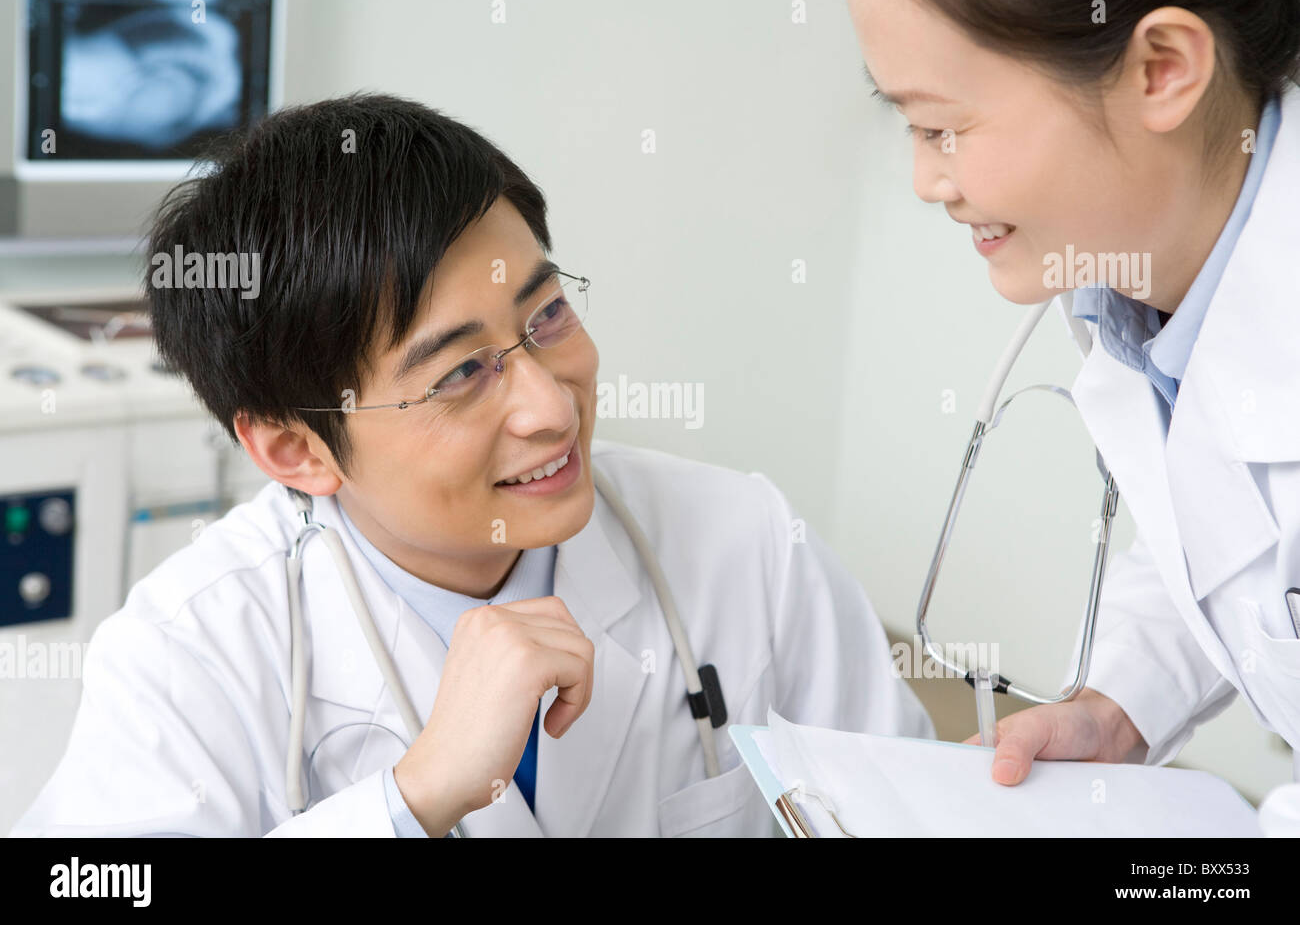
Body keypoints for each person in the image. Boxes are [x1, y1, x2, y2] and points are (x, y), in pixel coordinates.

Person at [11, 93, 932, 838]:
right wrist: (409, 800)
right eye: (460, 373)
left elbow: (911, 811)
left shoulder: (745, 541)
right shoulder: (190, 648)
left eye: (547, 319)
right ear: (296, 449)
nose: (551, 405)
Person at [843, 0, 1300, 831]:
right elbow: (1227, 530)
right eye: (909, 126)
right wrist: (1117, 710)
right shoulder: (1133, 284)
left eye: (945, 127)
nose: (924, 179)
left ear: (1161, 69)